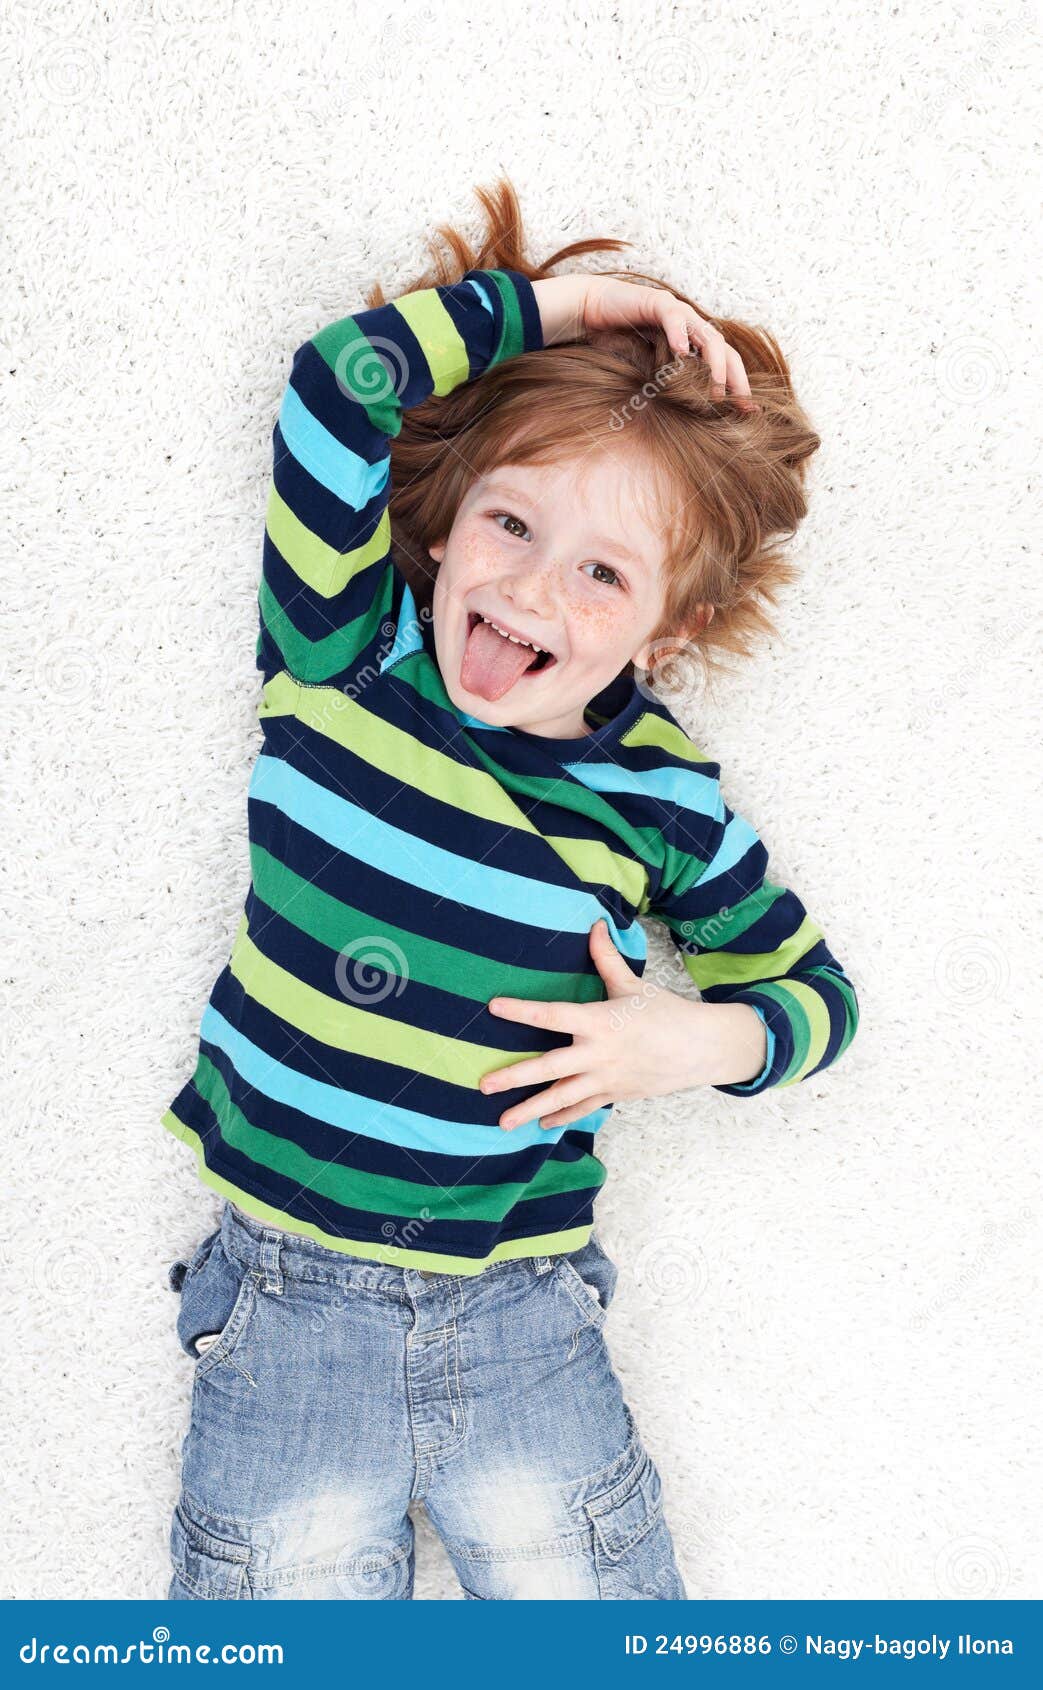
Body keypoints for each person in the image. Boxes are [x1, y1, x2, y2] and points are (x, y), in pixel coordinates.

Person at [161, 178, 859, 1600]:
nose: (533, 591)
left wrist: (692, 1039)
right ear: (452, 517)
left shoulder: (660, 796)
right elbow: (333, 382)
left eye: (604, 573)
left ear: (673, 629)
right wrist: (568, 308)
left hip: (520, 1312)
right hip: (290, 1303)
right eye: (512, 525)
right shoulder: (342, 650)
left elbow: (815, 1000)